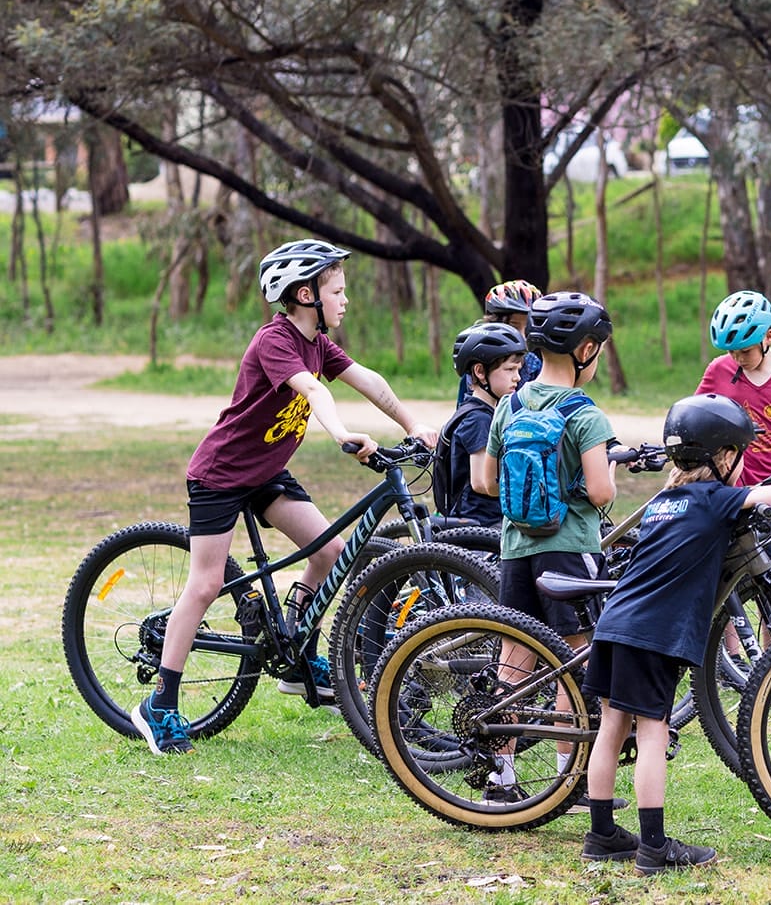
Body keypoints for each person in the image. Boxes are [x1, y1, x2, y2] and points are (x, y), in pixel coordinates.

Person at [131, 239, 438, 756]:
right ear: (304, 294)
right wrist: (343, 434)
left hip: (267, 471)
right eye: (337, 291)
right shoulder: (276, 341)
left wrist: (415, 423)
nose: (345, 300)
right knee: (206, 583)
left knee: (330, 553)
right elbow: (315, 393)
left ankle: (296, 644)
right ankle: (160, 703)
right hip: (222, 474)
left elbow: (368, 380)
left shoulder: (319, 342)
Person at [578, 393, 771, 874]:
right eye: (739, 454)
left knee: (612, 726)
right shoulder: (714, 499)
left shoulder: (665, 502)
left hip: (614, 625)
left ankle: (601, 835)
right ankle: (654, 847)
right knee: (653, 729)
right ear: (724, 457)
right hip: (651, 634)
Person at [482, 290, 617, 803]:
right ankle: (571, 776)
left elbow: (487, 481)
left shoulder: (510, 405)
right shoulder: (585, 413)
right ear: (584, 349)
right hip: (570, 550)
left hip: (516, 547)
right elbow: (601, 491)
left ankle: (503, 776)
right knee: (573, 659)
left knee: (515, 655)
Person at [696, 290, 771, 486]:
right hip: (730, 482)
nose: (737, 359)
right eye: (731, 351)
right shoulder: (718, 369)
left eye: (745, 351)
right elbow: (695, 418)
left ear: (768, 337)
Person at [436, 322, 526, 525]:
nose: (517, 377)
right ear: (480, 371)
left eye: (518, 369)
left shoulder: (489, 412)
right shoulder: (478, 419)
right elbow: (481, 482)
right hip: (481, 523)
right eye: (510, 369)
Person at [457, 280, 542, 404]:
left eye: (528, 328)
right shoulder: (477, 370)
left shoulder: (535, 366)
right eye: (514, 326)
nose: (523, 336)